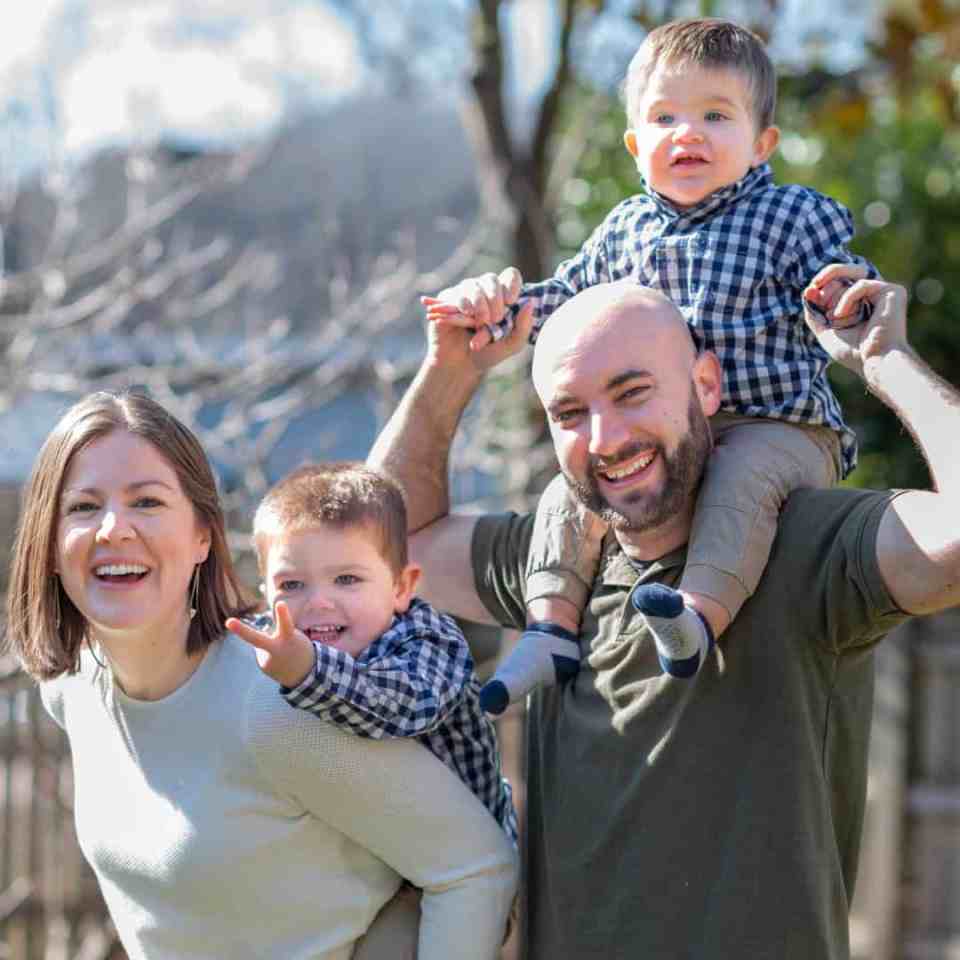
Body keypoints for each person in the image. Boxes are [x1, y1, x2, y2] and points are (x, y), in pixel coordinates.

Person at [369, 264, 960, 958]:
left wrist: (886, 361)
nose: (607, 437)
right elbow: (385, 541)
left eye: (632, 393)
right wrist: (450, 369)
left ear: (705, 386)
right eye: (570, 414)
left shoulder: (805, 547)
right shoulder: (551, 567)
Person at [424, 16, 877, 712]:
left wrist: (842, 293)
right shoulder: (624, 230)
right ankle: (550, 627)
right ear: (637, 146)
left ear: (762, 144)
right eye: (664, 117)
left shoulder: (787, 215)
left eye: (714, 115)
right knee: (567, 491)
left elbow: (842, 276)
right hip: (666, 433)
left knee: (741, 478)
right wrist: (493, 308)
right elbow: (564, 301)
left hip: (775, 426)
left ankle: (695, 617)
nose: (686, 133)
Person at [3, 390, 517, 960]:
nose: (113, 529)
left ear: (203, 536)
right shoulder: (72, 690)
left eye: (146, 502)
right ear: (48, 545)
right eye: (83, 507)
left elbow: (475, 867)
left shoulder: (277, 704)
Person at [225, 461, 518, 844]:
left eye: (346, 580)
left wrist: (310, 671)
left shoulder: (428, 641)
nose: (318, 603)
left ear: (401, 587)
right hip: (369, 845)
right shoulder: (276, 640)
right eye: (292, 584)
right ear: (266, 592)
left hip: (468, 855)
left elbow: (403, 707)